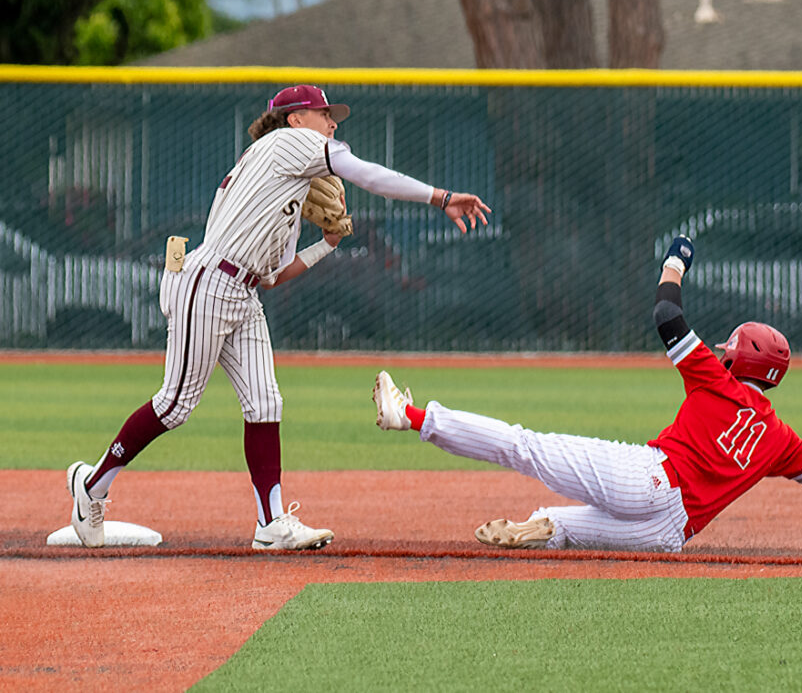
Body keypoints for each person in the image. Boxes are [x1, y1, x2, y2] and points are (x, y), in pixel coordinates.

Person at [67, 84, 491, 550]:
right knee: (174, 405)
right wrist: (441, 196)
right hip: (208, 284)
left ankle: (270, 524)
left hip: (242, 293)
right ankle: (91, 488)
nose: (332, 125)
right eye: (324, 115)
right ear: (295, 119)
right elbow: (366, 173)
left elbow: (271, 277)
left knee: (266, 405)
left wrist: (327, 245)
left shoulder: (281, 188)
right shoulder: (287, 142)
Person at [371, 234, 802, 553]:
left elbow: (666, 315)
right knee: (561, 527)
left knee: (524, 446)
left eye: (731, 343)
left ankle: (412, 416)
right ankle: (543, 525)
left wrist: (676, 261)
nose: (722, 346)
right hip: (671, 533)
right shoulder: (779, 437)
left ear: (740, 358)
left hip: (648, 478)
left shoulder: (715, 379)